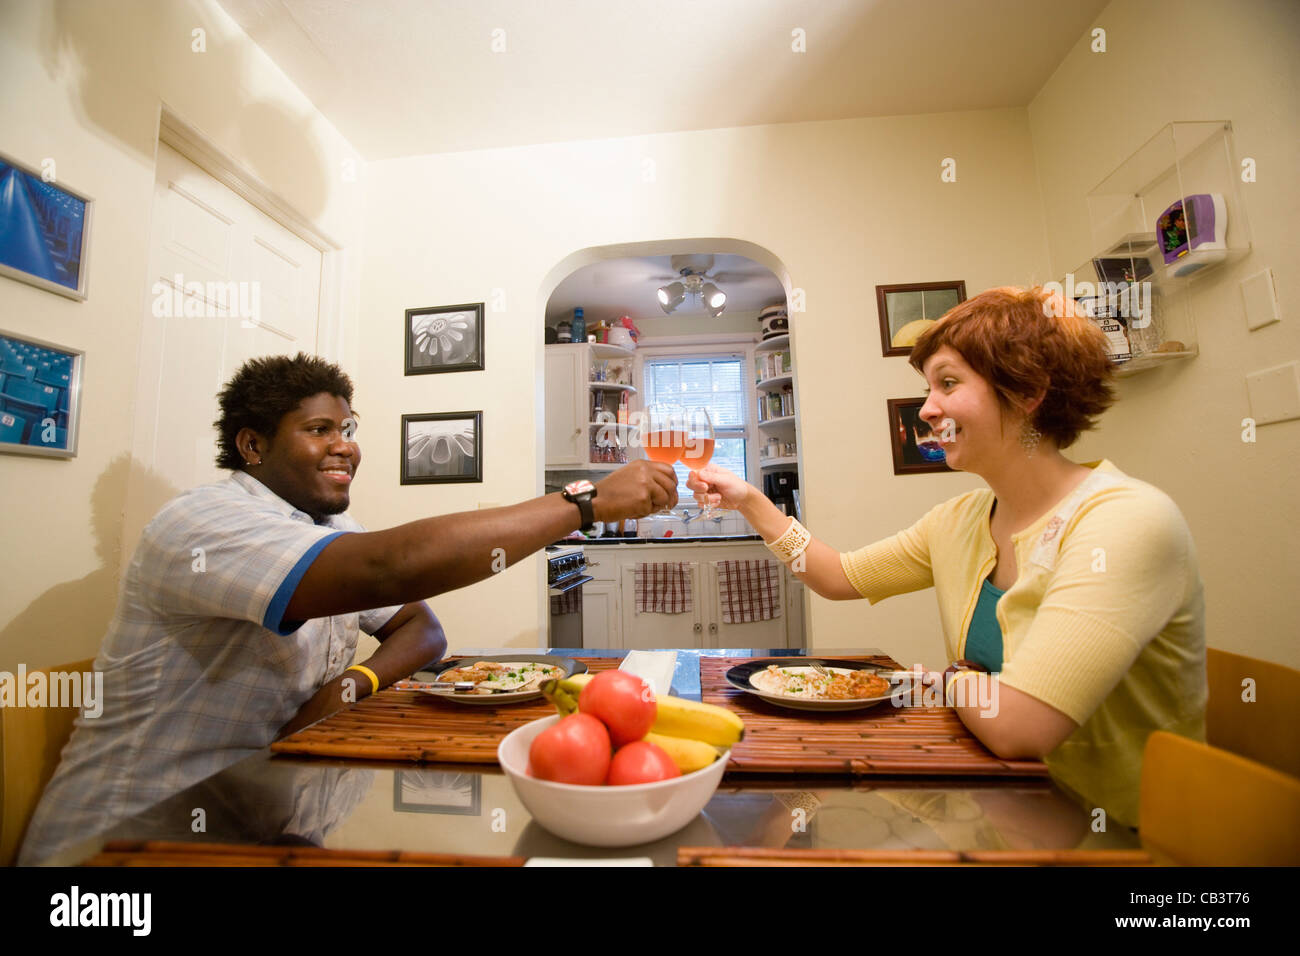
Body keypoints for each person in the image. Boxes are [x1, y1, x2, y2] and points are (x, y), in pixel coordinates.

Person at [19, 353, 677, 864]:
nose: (346, 445)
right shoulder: (204, 523)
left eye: (348, 429)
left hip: (262, 824)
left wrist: (349, 685)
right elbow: (388, 565)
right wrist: (582, 502)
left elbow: (422, 627)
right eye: (319, 429)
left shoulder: (320, 529)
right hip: (124, 849)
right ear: (253, 447)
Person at [687, 286, 1205, 828]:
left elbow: (1021, 726)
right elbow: (836, 577)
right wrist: (751, 501)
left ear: (1028, 391)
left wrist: (947, 680)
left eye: (948, 383)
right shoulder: (960, 519)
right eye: (928, 386)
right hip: (1002, 810)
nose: (928, 408)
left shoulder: (1125, 521)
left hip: (1125, 839)